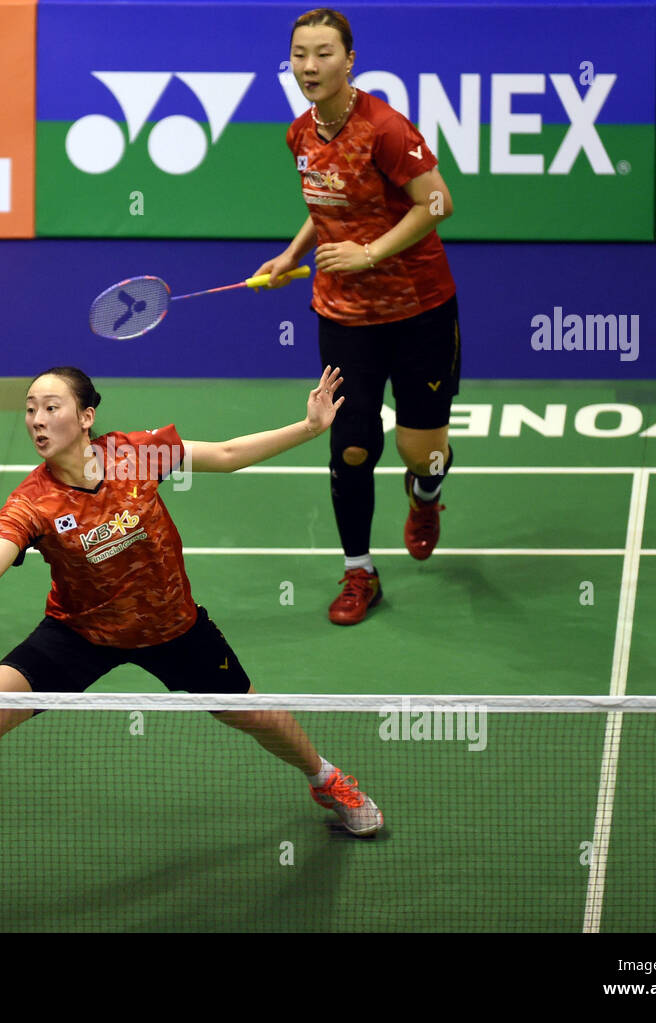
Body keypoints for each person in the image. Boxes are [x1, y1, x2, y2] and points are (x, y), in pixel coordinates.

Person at [0, 365, 383, 907]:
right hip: (81, 631)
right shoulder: (31, 503)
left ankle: (325, 779)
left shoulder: (136, 455)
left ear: (87, 417)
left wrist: (309, 427)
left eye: (51, 407)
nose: (36, 420)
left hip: (172, 627)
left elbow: (226, 455)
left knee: (254, 715)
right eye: (30, 408)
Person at [255, 7, 462, 627]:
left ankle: (426, 495)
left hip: (419, 311)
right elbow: (329, 201)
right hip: (343, 318)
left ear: (350, 60)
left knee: (420, 451)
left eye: (323, 54)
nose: (309, 66)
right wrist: (294, 253)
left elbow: (438, 201)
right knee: (350, 448)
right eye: (299, 54)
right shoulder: (300, 133)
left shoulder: (385, 129)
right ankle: (359, 572)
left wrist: (369, 252)